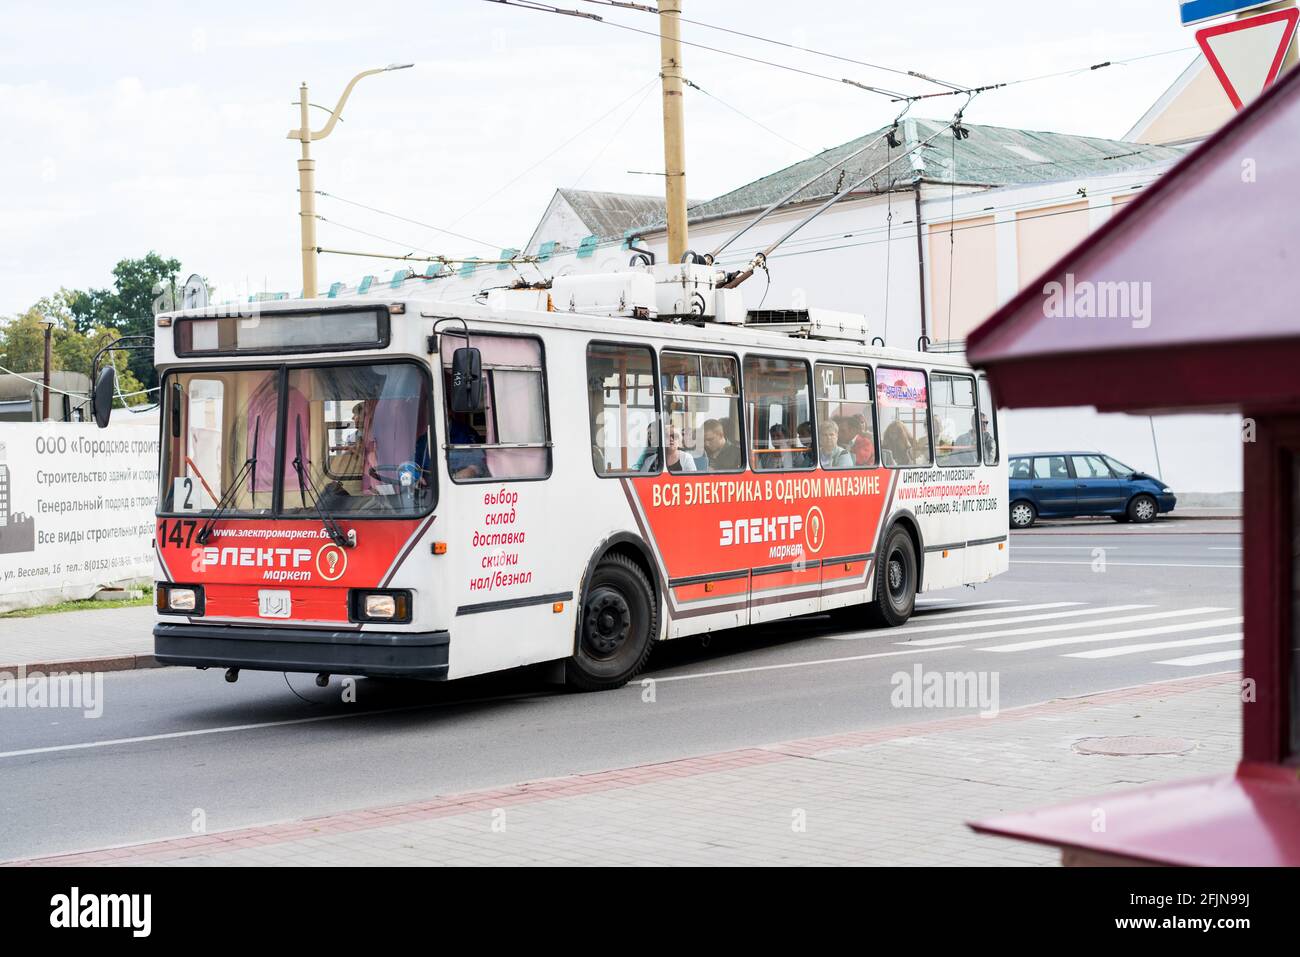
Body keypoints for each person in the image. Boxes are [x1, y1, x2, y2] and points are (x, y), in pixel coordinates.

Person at [448, 412, 489, 479]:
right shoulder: (426, 433)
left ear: (448, 411)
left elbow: (478, 464)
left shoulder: (466, 432)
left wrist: (454, 477)